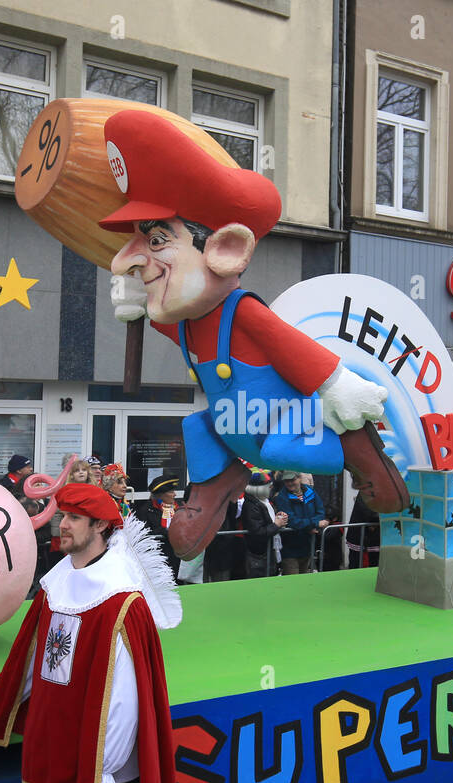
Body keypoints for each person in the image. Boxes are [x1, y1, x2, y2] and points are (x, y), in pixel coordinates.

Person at [102, 109, 407, 563]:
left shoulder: (242, 310)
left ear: (225, 250)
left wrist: (334, 383)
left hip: (273, 422)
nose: (127, 260)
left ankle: (352, 444)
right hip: (234, 429)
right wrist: (137, 308)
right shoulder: (188, 324)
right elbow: (165, 324)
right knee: (197, 427)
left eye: (158, 240)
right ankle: (218, 478)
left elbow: (288, 345)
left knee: (281, 445)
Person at [0, 482, 179, 783]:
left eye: (75, 518)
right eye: (63, 515)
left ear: (101, 526)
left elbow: (122, 703)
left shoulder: (121, 602)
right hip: (58, 761)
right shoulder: (56, 586)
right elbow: (32, 667)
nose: (63, 524)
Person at [273, 471, 327, 574]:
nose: (289, 483)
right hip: (290, 548)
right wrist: (314, 524)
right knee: (293, 582)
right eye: (286, 481)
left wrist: (313, 524)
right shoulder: (282, 497)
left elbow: (320, 512)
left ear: (299, 478)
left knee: (304, 580)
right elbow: (292, 521)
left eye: (292, 480)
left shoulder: (310, 491)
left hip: (308, 545)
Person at [242, 469, 286, 576]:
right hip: (259, 554)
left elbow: (267, 521)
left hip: (268, 551)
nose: (271, 488)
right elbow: (258, 531)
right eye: (268, 486)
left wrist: (278, 517)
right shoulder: (251, 506)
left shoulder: (264, 501)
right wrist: (276, 525)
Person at [136, 475, 180, 581]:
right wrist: (165, 531)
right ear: (161, 495)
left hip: (177, 558)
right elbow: (145, 535)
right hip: (159, 560)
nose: (175, 494)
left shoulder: (177, 509)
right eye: (171, 492)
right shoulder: (146, 511)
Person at [345, 496, 382, 569]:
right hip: (361, 536)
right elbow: (369, 512)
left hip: (373, 536)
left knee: (374, 564)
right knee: (357, 564)